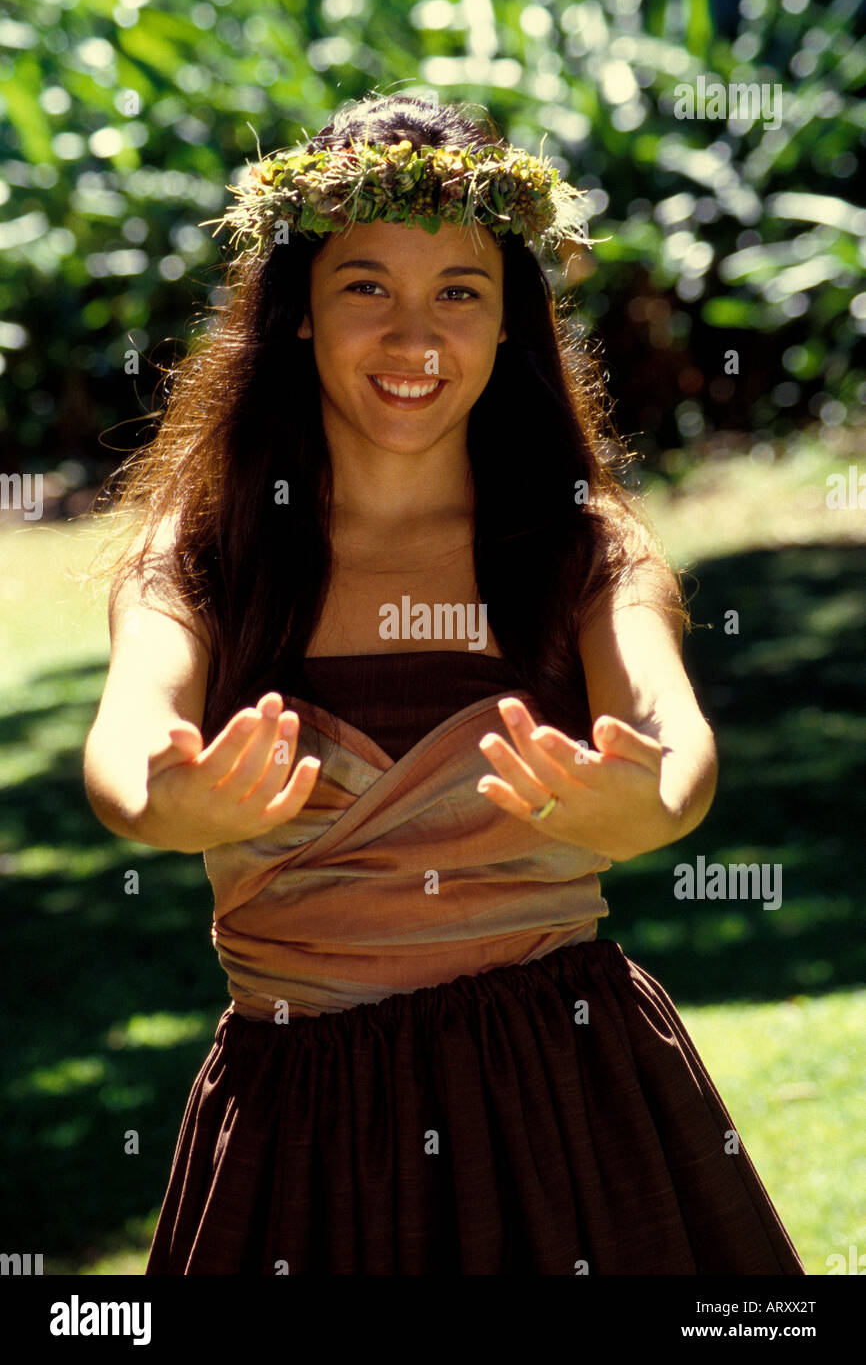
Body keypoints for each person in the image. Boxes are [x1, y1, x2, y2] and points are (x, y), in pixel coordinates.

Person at [83, 93, 806, 1275]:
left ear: (509, 321)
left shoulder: (583, 544)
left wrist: (653, 806)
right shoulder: (208, 549)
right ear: (300, 314)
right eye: (366, 285)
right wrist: (168, 803)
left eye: (458, 294)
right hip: (304, 1131)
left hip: (568, 1100)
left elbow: (671, 738)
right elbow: (129, 746)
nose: (414, 337)